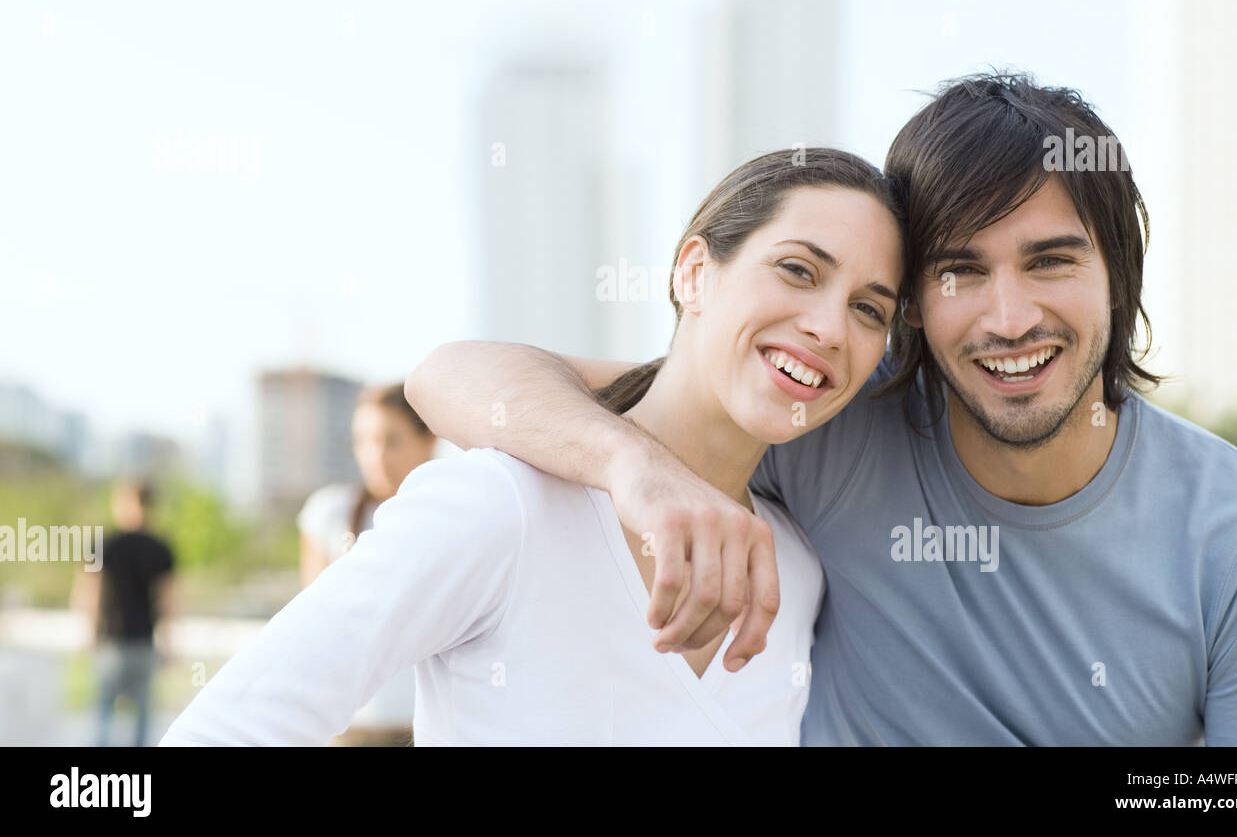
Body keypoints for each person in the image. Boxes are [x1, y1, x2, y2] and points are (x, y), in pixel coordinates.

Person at [404, 71, 1237, 746]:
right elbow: (452, 375)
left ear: (1118, 276)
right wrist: (633, 465)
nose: (1009, 315)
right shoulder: (827, 423)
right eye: (960, 270)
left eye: (1052, 261)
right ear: (910, 301)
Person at [158, 147, 906, 746]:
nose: (830, 327)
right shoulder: (501, 504)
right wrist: (633, 464)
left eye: (868, 309)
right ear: (693, 272)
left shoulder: (797, 572)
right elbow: (230, 727)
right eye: (798, 269)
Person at [297, 382, 437, 746]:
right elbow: (312, 627)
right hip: (350, 727)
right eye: (363, 441)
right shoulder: (331, 512)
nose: (375, 456)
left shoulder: (451, 518)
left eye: (391, 441)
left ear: (429, 441)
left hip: (427, 728)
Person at [74, 478, 177, 747]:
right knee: (140, 717)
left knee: (104, 714)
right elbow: (168, 600)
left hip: (114, 642)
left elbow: (90, 592)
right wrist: (167, 642)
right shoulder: (161, 547)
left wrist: (88, 633)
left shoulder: (103, 544)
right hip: (141, 642)